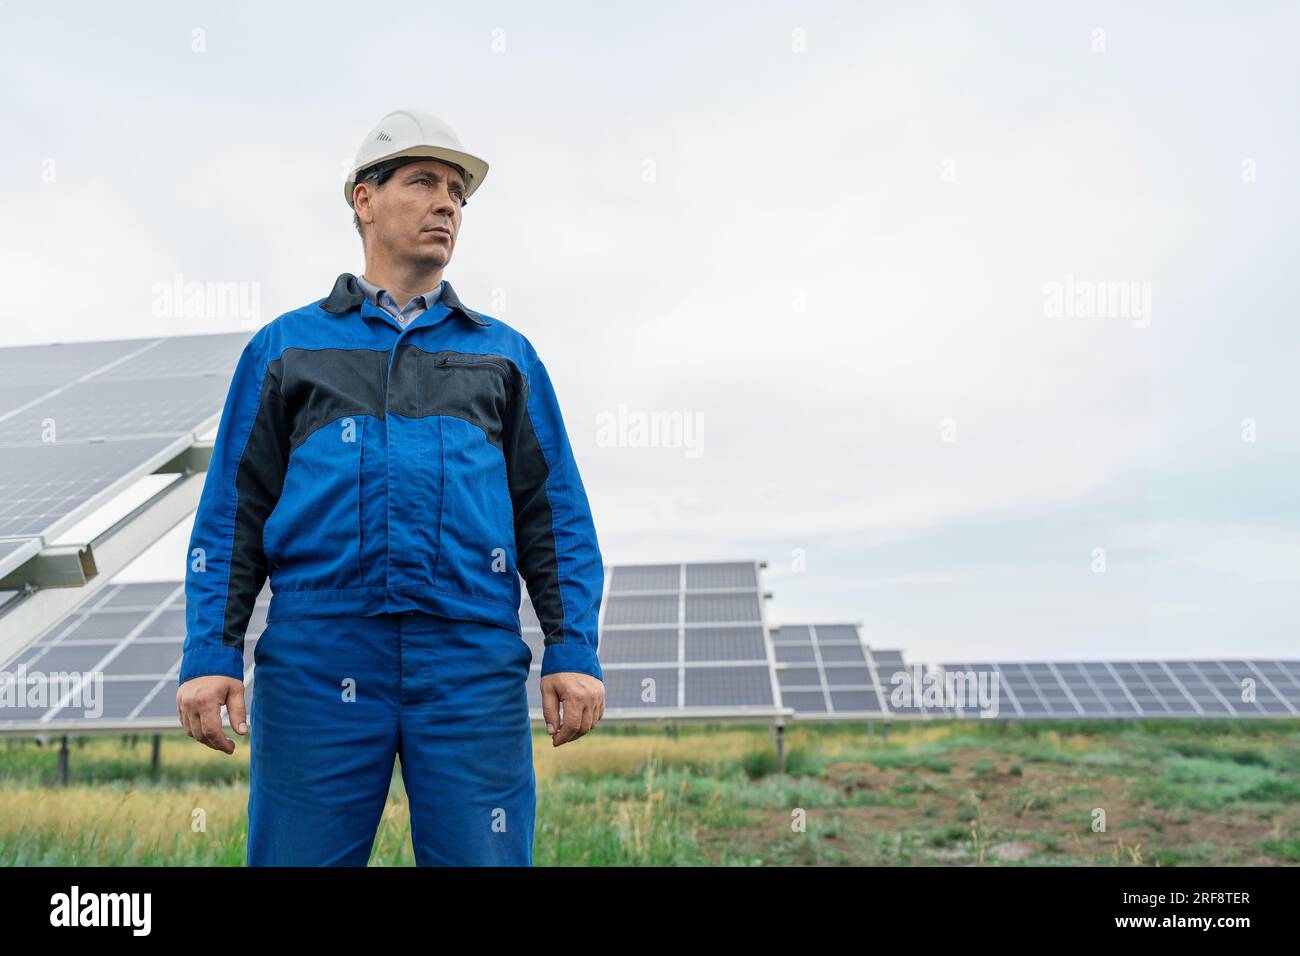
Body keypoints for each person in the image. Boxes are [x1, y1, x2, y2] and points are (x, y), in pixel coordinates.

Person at [175, 108, 605, 866]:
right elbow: (231, 517)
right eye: (424, 183)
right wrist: (212, 652)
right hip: (318, 657)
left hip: (470, 659)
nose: (448, 204)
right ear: (363, 200)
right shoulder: (286, 349)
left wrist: (572, 647)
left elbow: (554, 513)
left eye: (458, 193)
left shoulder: (506, 357)